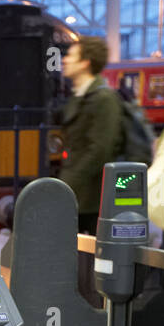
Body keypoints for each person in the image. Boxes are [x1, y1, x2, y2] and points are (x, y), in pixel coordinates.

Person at [59, 35, 125, 233]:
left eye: (71, 56)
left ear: (85, 63)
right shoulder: (81, 95)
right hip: (80, 194)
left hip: (93, 198)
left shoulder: (103, 99)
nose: (65, 59)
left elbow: (99, 150)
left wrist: (69, 183)